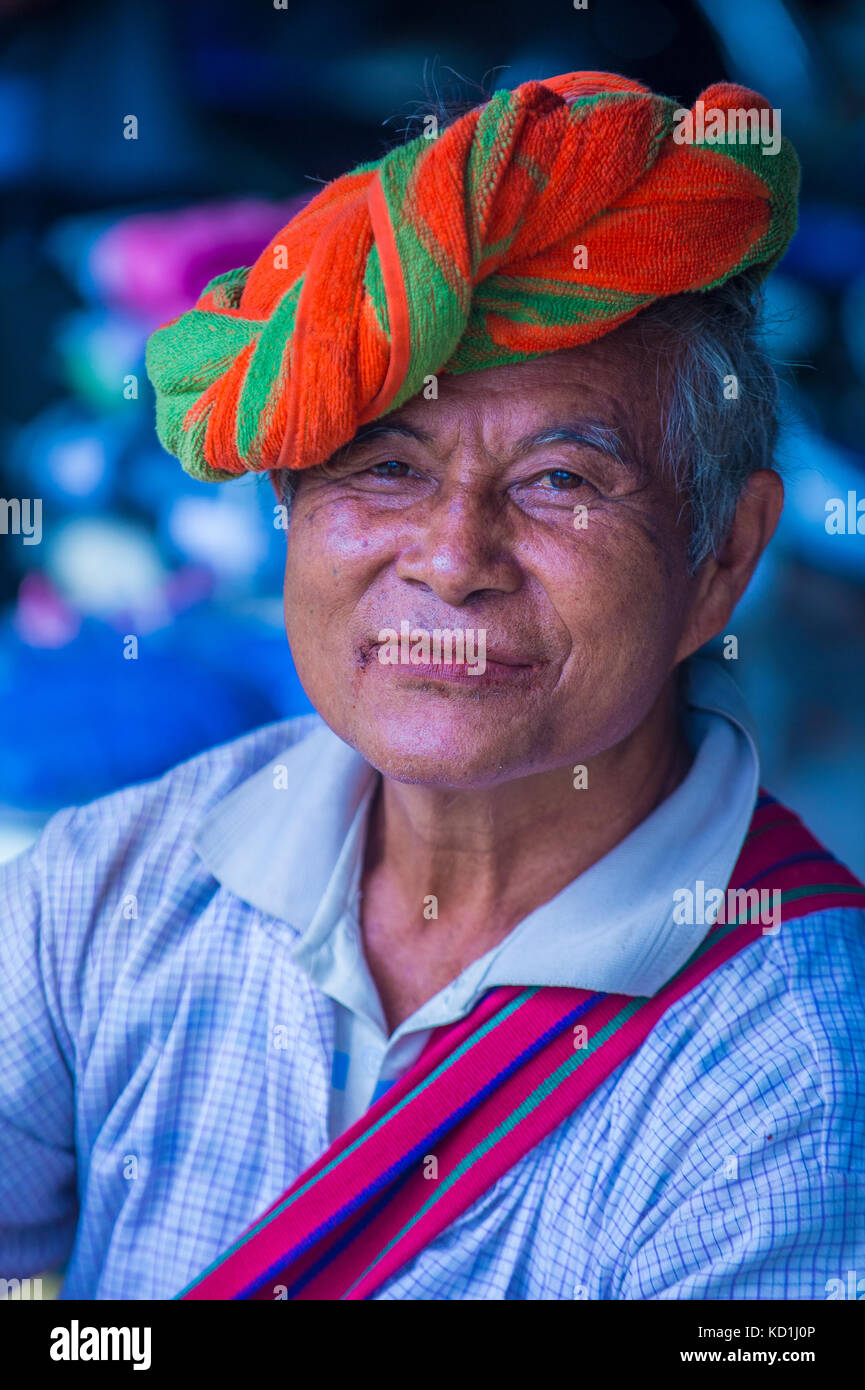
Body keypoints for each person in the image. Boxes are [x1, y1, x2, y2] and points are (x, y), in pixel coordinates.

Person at [2, 71, 863, 1302]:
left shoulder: (801, 1085)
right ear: (286, 518)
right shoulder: (112, 887)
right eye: (385, 466)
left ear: (720, 555)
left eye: (562, 480)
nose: (454, 558)